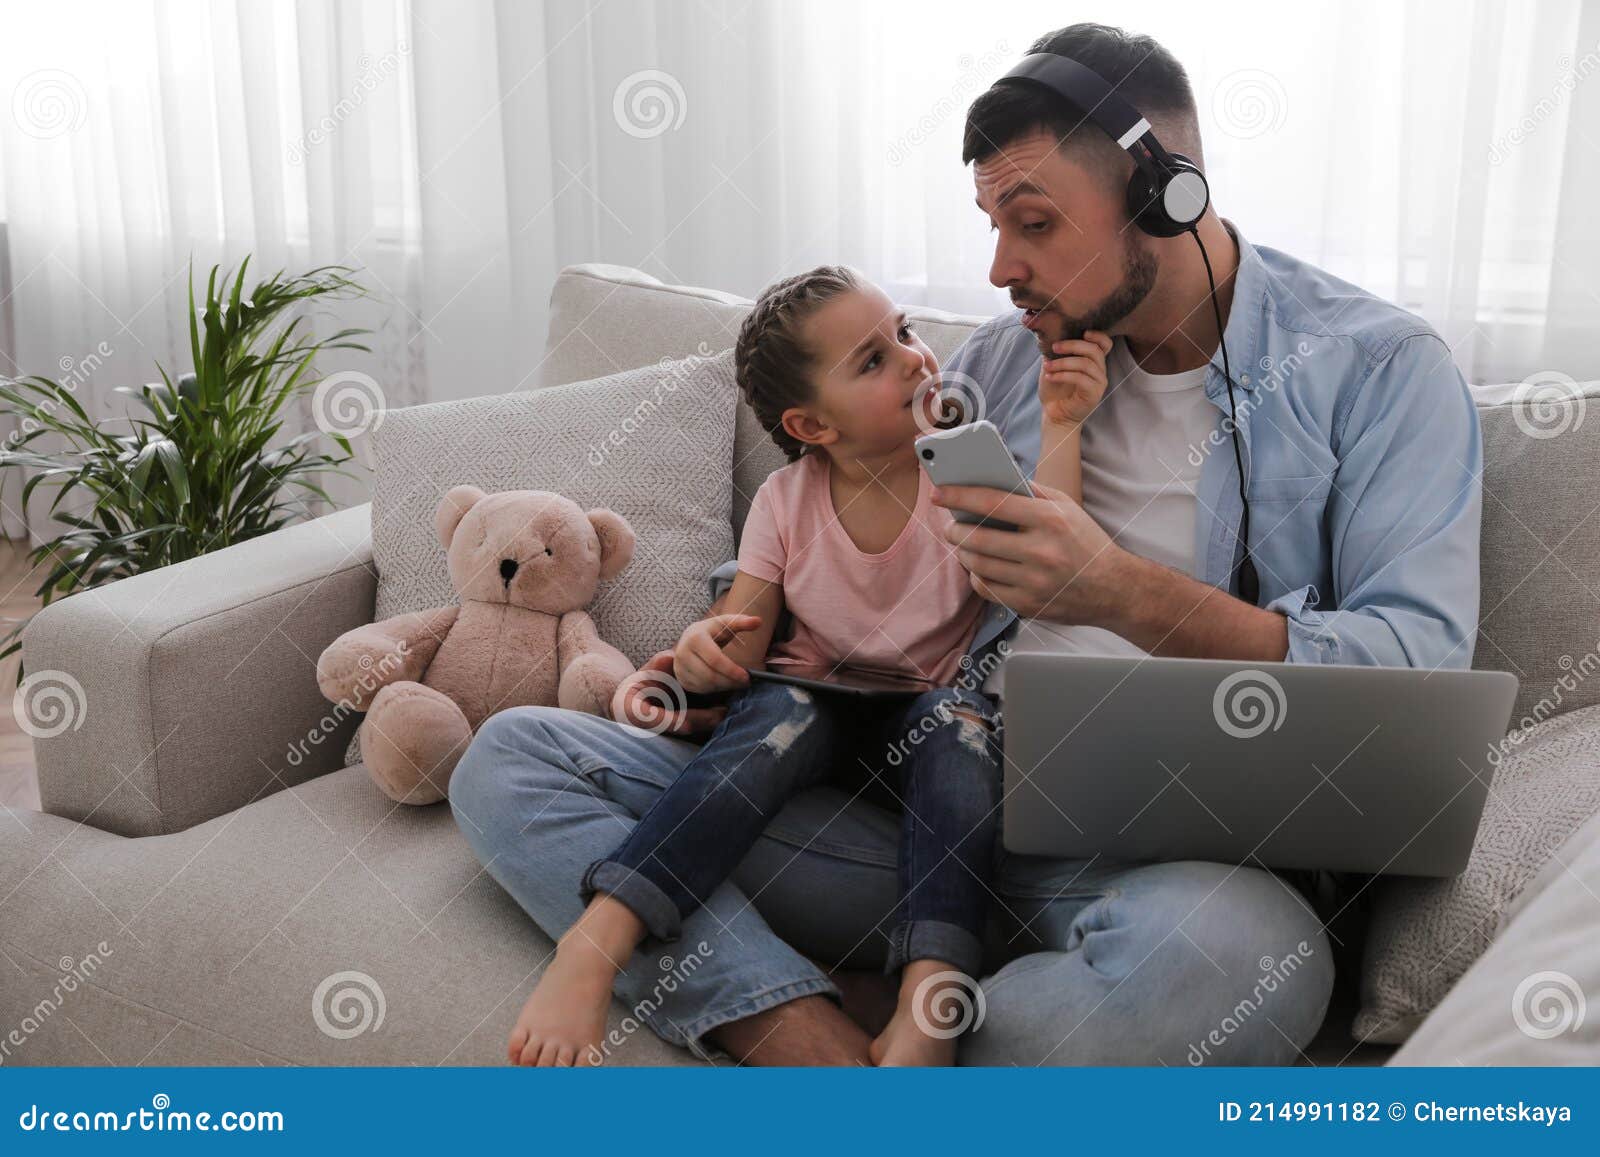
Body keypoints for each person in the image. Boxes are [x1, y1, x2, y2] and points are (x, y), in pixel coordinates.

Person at [449, 23, 1480, 1066]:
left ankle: (910, 1009)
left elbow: (1418, 670)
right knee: (512, 760)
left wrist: (1120, 592)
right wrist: (733, 644)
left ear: (1166, 191)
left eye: (1032, 222)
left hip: (1150, 872)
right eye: (991, 222)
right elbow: (842, 524)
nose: (1000, 268)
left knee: (1248, 959)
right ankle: (799, 1028)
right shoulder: (996, 361)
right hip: (918, 813)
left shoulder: (1377, 370)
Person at [496, 265, 1112, 1066]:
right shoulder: (787, 500)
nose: (915, 358)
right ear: (812, 425)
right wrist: (703, 651)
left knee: (959, 725)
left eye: (904, 332)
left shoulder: (961, 475)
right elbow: (742, 637)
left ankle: (929, 1002)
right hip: (807, 717)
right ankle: (600, 938)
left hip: (923, 728)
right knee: (782, 710)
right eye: (873, 360)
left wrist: (1063, 422)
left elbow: (1050, 558)